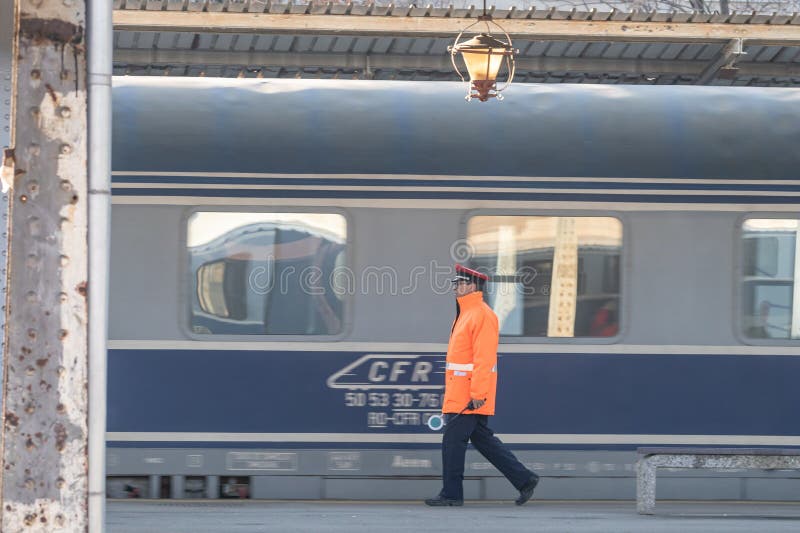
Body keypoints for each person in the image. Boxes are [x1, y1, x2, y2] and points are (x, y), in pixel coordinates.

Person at [425, 264, 539, 507]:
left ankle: (452, 494)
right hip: (461, 392)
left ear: (471, 285)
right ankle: (524, 478)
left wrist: (477, 394)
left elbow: (484, 358)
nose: (454, 286)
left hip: (468, 395)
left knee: (452, 442)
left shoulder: (481, 315)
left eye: (458, 282)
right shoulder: (466, 312)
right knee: (483, 440)